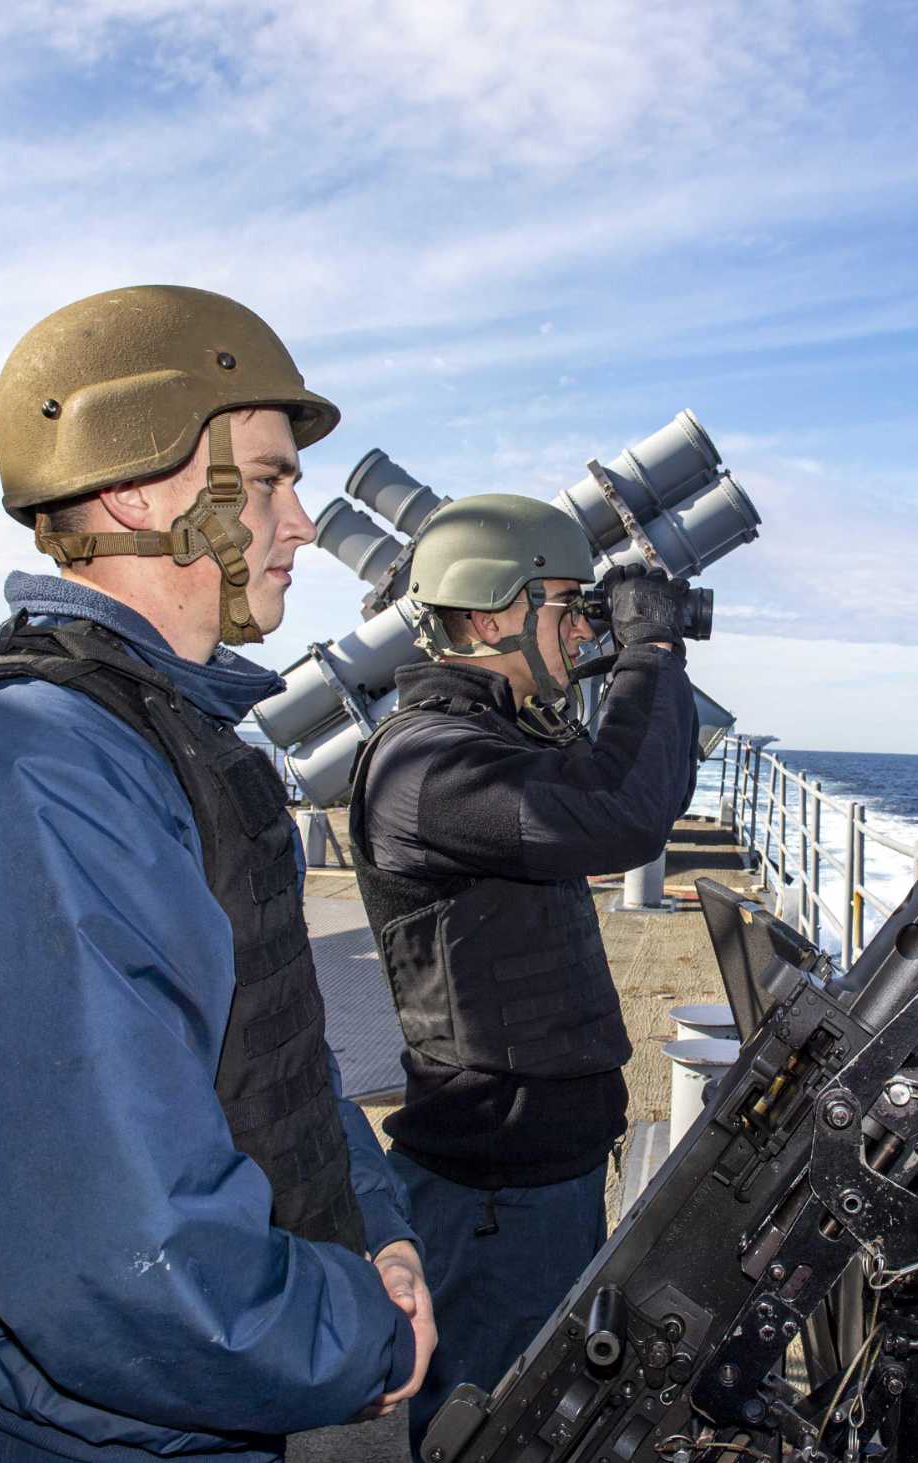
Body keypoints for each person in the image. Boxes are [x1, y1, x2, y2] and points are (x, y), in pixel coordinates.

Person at [0, 285, 435, 1462]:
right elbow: (118, 1253)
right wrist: (353, 1328)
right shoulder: (26, 777)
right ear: (136, 487)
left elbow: (263, 1063)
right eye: (267, 478)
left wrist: (373, 1232)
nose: (301, 521)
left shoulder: (159, 743)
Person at [346, 495, 700, 1446]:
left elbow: (641, 782)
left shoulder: (492, 742)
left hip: (540, 1175)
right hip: (493, 1195)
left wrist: (639, 665)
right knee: (496, 1434)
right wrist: (649, 653)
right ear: (498, 611)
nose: (585, 625)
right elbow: (623, 809)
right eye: (570, 604)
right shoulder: (432, 764)